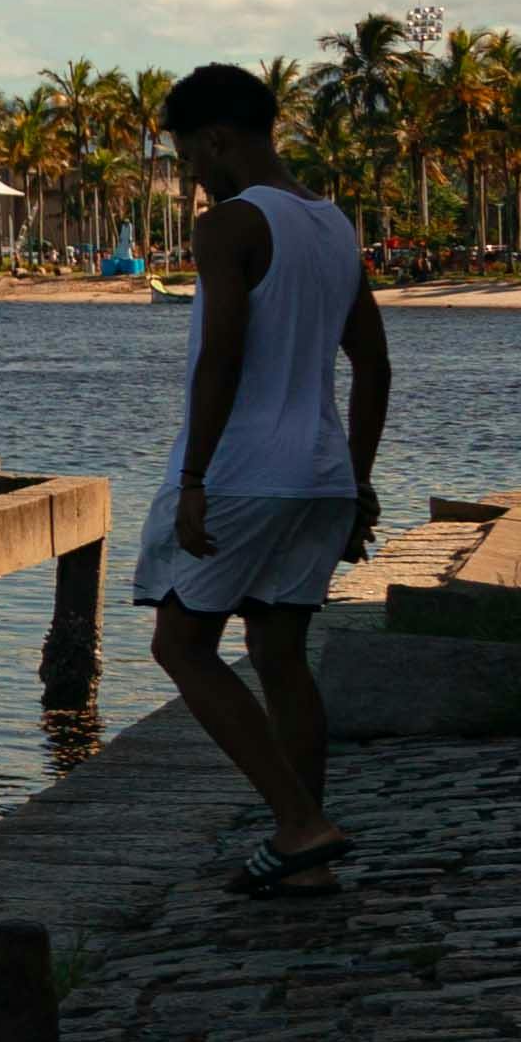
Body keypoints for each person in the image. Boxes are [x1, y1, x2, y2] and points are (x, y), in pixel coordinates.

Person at [136, 60, 389, 891]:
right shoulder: (333, 223)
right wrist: (356, 482)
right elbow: (374, 365)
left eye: (187, 158)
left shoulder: (231, 225)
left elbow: (222, 359)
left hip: (243, 472)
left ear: (217, 139)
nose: (191, 177)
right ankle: (300, 859)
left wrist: (195, 479)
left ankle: (300, 822)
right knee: (281, 654)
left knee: (181, 645)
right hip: (320, 474)